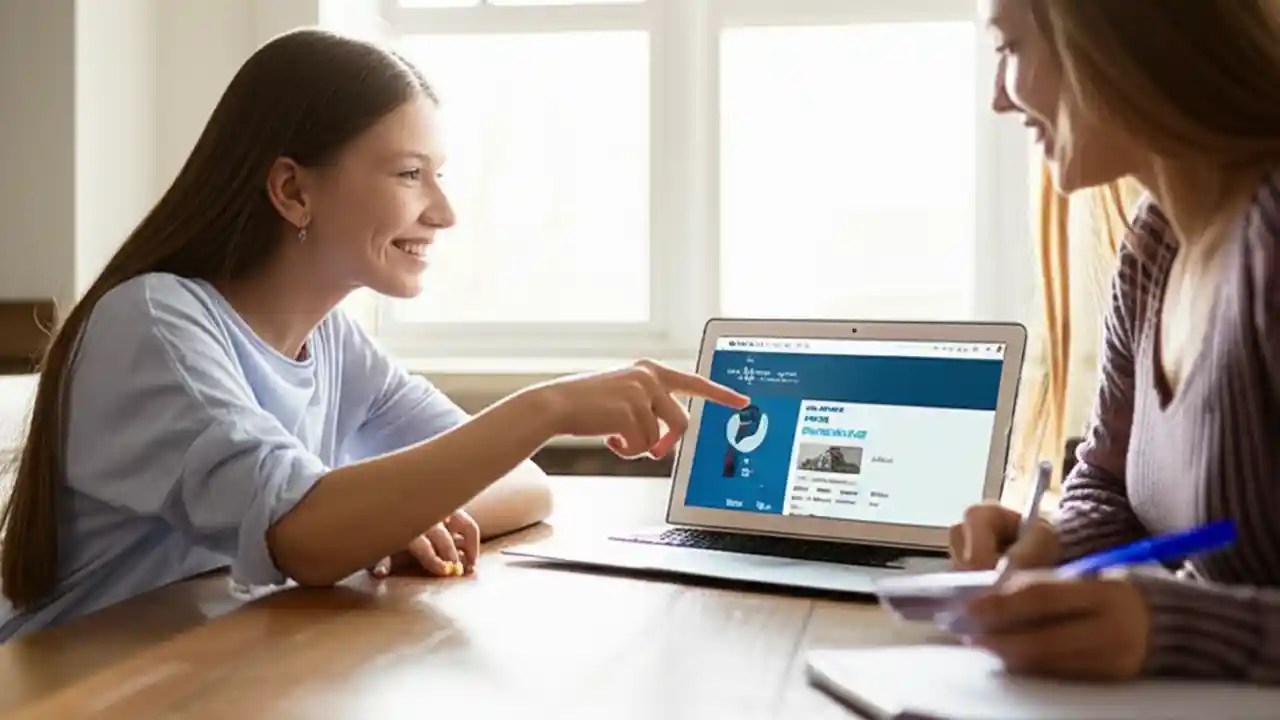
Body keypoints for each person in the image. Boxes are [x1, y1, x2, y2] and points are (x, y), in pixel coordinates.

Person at [0, 29, 748, 641]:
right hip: (67, 687)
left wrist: (386, 523)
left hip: (209, 664)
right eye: (409, 174)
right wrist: (546, 408)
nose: (445, 212)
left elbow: (525, 486)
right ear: (294, 190)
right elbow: (302, 537)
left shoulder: (332, 342)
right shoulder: (155, 323)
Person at [947, 0, 1280, 682]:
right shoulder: (1155, 243)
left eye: (1010, 48)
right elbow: (1106, 481)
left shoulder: (1269, 243)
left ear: (1119, 41)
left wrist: (1174, 628)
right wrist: (1050, 543)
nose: (998, 100)